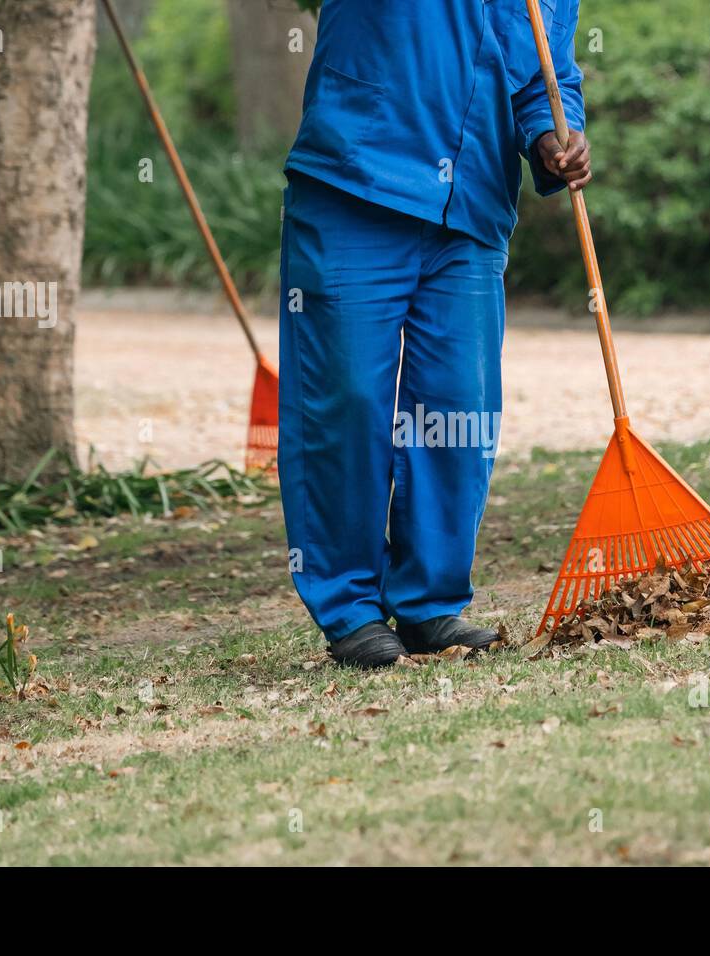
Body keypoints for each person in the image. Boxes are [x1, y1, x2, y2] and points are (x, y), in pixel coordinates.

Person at [279, 0, 590, 668]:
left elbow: (543, 74)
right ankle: (350, 609)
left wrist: (553, 135)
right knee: (347, 399)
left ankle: (428, 602)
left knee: (459, 407)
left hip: (472, 205)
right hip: (359, 179)